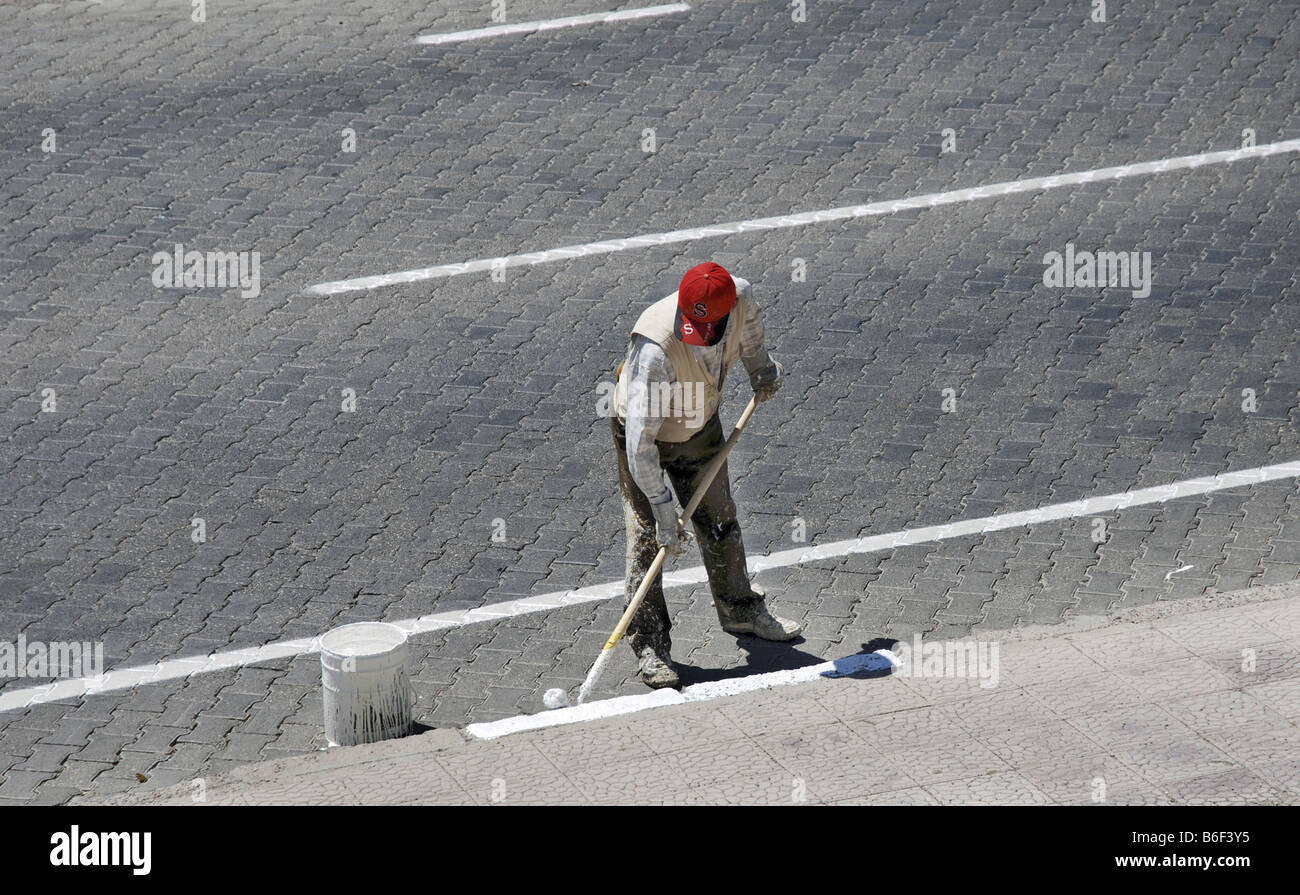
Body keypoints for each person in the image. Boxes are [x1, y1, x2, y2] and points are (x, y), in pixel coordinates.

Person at [611, 261, 803, 688]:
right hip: (649, 436)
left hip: (701, 420)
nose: (688, 331)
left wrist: (761, 368)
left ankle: (740, 610)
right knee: (647, 541)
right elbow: (640, 449)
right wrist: (663, 513)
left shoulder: (740, 296)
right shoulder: (655, 352)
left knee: (719, 519)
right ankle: (650, 645)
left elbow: (750, 335)